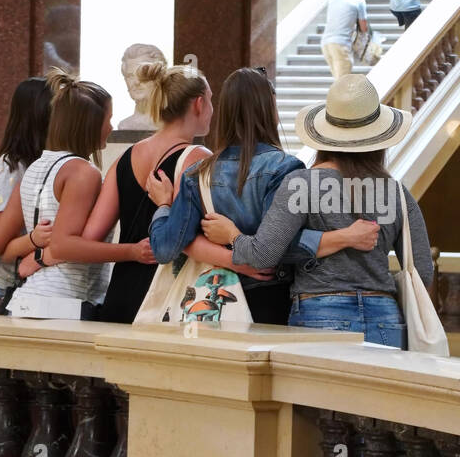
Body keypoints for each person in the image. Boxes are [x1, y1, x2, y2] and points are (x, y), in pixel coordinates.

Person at [201, 74, 433, 349]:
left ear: (325, 134)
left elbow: (264, 255)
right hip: (385, 315)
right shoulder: (395, 192)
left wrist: (233, 235)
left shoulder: (302, 184)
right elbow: (423, 271)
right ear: (378, 137)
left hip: (320, 312)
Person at [19, 61, 259, 323]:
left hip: (120, 296)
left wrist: (44, 256)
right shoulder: (197, 157)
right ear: (199, 104)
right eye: (212, 101)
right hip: (167, 300)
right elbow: (184, 239)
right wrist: (236, 260)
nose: (213, 110)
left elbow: (89, 236)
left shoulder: (124, 158)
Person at [146, 67, 377, 324]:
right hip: (272, 299)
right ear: (269, 112)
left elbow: (165, 249)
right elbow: (284, 246)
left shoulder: (197, 175)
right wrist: (344, 237)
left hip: (214, 301)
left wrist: (164, 206)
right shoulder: (286, 168)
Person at [0, 71, 114, 318]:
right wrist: (134, 252)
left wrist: (37, 251)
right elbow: (1, 247)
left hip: (25, 297)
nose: (113, 127)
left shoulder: (35, 169)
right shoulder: (79, 172)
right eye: (109, 119)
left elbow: (6, 247)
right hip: (52, 298)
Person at [0, 76, 53, 313]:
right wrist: (38, 239)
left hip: (29, 284)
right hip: (1, 288)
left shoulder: (44, 164)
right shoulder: (11, 168)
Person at [321, 0, 367, 79]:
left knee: (339, 80)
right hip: (341, 44)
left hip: (326, 43)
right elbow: (364, 27)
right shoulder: (358, 0)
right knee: (343, 83)